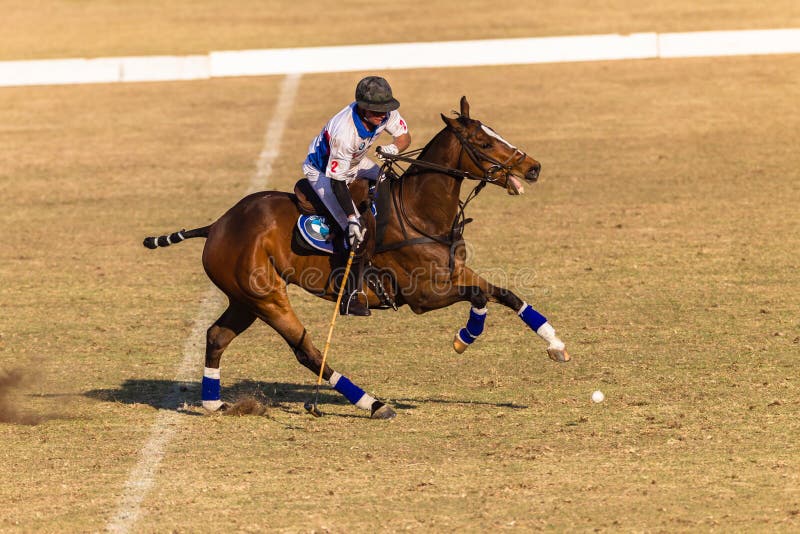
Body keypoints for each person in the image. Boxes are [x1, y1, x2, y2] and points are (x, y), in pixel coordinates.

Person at [302, 76, 411, 316]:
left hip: (356, 163)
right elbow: (338, 182)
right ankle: (349, 296)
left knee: (393, 185)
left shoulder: (385, 112)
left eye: (385, 110)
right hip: (323, 173)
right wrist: (351, 217)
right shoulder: (345, 132)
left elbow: (404, 137)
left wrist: (394, 148)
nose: (383, 116)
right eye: (377, 111)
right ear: (362, 107)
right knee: (356, 232)